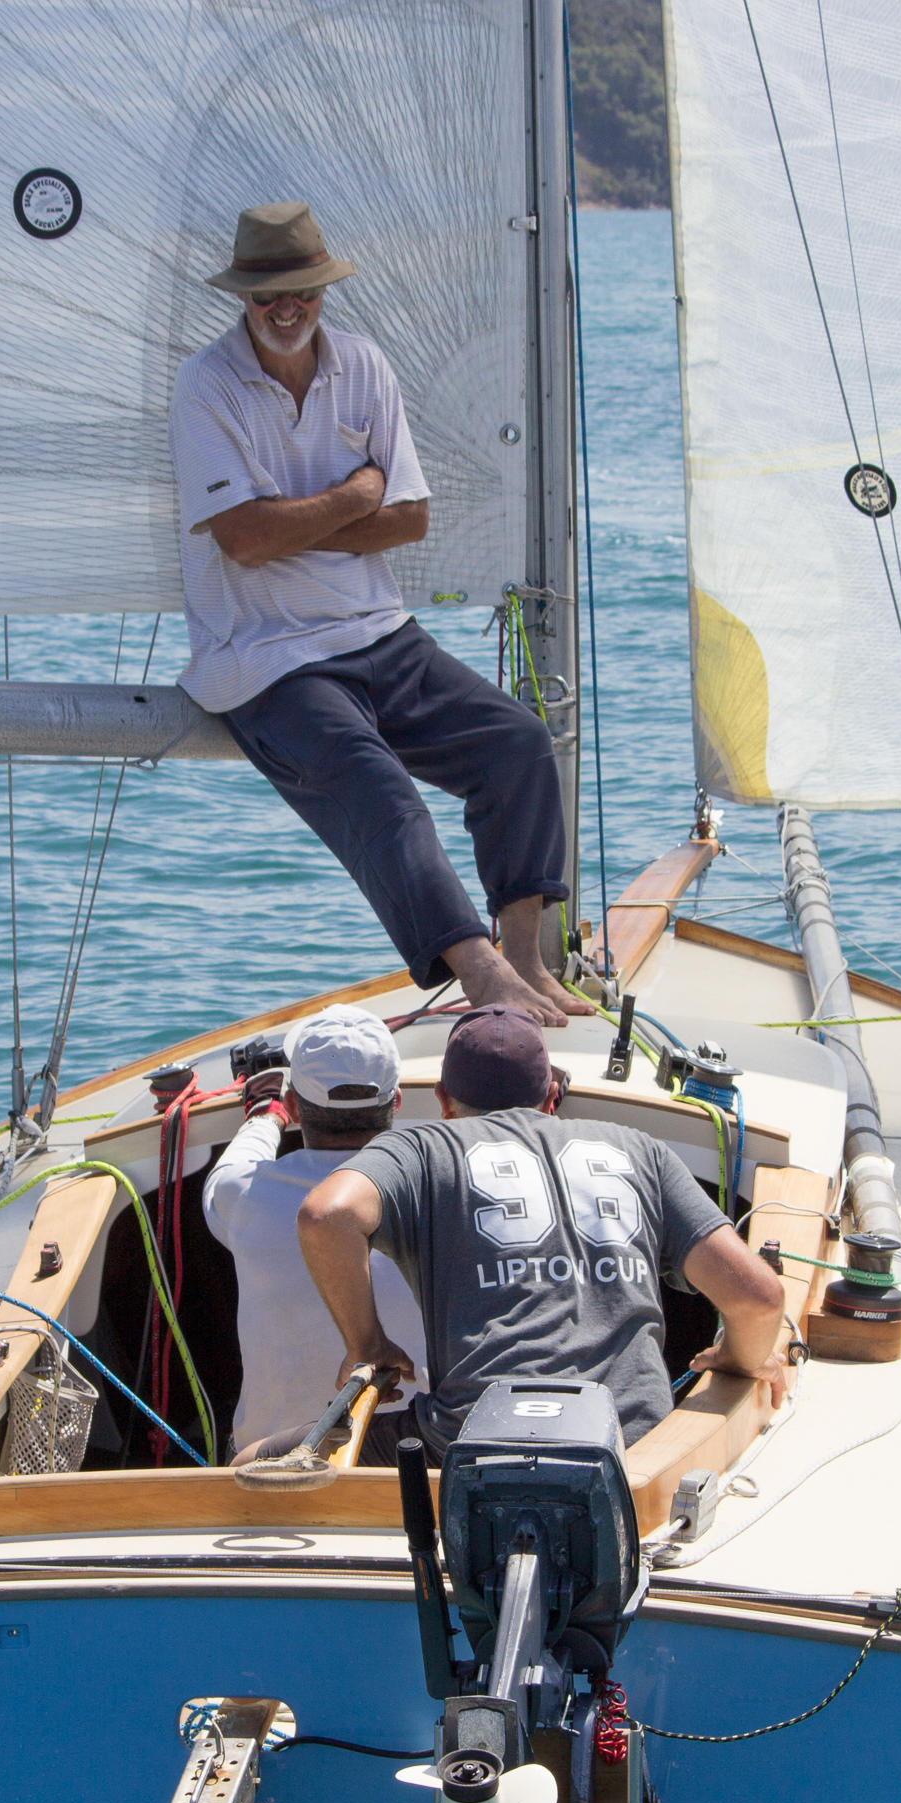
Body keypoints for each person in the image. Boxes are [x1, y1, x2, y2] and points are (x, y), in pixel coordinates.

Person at [169, 201, 592, 1027]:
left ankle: (528, 960)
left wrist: (304, 518)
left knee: (519, 743)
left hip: (378, 631)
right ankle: (478, 973)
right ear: (241, 300)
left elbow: (410, 520)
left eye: (303, 291)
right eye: (266, 297)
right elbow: (246, 541)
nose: (286, 309)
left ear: (324, 289)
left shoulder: (365, 365)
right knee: (382, 791)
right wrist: (356, 493)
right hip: (266, 656)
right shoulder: (205, 387)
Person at [296, 1006, 792, 1447]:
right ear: (553, 1095)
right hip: (631, 1448)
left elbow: (327, 1216)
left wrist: (367, 1346)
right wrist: (739, 1361)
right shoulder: (642, 1151)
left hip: (472, 1441)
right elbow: (759, 1299)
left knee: (259, 1460)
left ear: (444, 1101)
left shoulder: (421, 1151)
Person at [201, 1004, 425, 1460]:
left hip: (269, 1461)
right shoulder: (439, 1194)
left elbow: (233, 1165)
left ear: (297, 1107)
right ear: (397, 1101)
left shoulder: (242, 1195)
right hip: (413, 1461)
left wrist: (265, 1115)